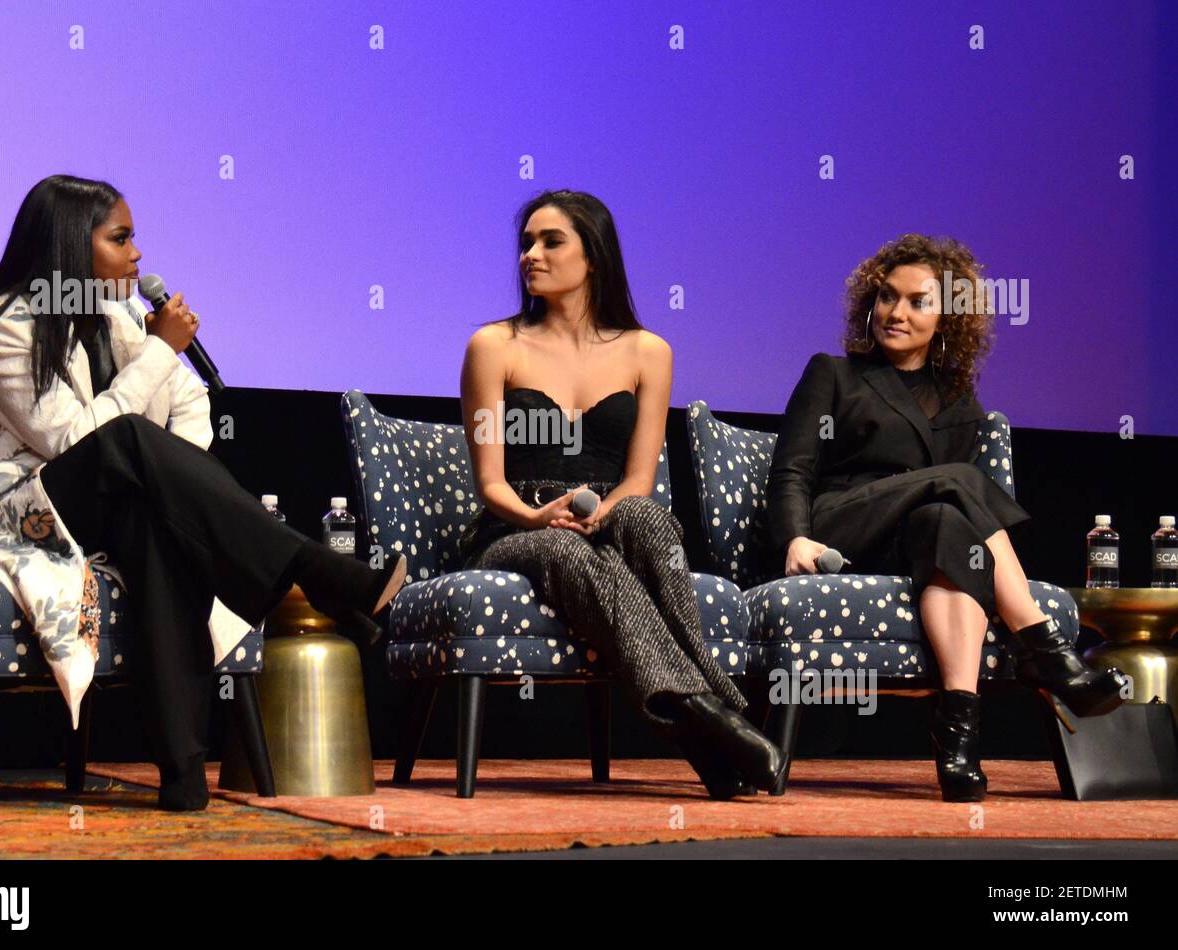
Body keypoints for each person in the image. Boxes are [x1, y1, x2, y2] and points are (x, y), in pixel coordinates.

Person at [0, 175, 406, 811]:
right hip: (34, 509)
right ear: (73, 244)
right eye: (121, 238)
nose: (138, 255)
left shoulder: (116, 314)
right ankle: (312, 569)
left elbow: (191, 407)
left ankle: (182, 771)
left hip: (116, 502)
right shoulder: (6, 325)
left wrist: (172, 475)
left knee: (161, 534)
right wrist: (159, 352)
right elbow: (71, 441)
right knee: (128, 440)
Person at [766, 233, 1127, 801]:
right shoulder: (833, 373)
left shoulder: (958, 397)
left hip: (912, 540)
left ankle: (958, 735)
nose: (896, 313)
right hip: (839, 528)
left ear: (948, 320)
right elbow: (791, 471)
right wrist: (795, 537)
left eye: (917, 302)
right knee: (961, 480)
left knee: (947, 524)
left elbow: (957, 516)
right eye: (887, 297)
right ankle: (1046, 649)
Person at [457, 189, 784, 799]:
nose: (531, 254)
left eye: (551, 241)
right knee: (570, 551)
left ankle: (701, 725)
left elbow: (639, 478)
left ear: (595, 257)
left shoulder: (647, 351)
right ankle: (716, 717)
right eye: (526, 242)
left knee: (649, 519)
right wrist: (536, 517)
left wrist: (602, 511)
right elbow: (490, 483)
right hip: (517, 528)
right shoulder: (493, 345)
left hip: (608, 513)